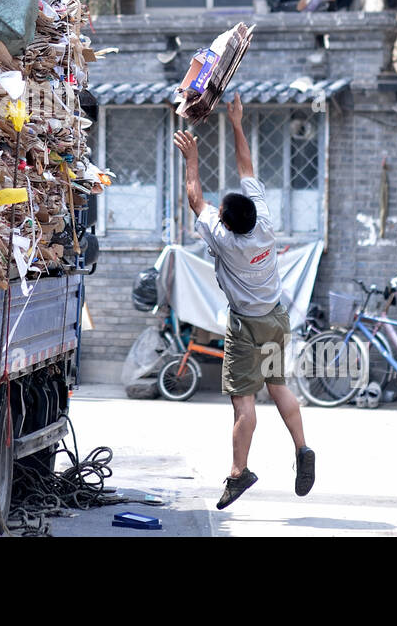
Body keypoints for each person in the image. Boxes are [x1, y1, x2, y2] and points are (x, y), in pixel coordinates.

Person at [173, 94, 315, 509]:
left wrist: (192, 157)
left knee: (244, 403)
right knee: (278, 384)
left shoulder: (223, 240)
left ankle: (239, 473)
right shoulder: (264, 222)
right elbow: (246, 167)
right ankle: (303, 448)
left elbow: (195, 199)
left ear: (228, 224)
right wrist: (237, 122)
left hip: (244, 328)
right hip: (274, 319)